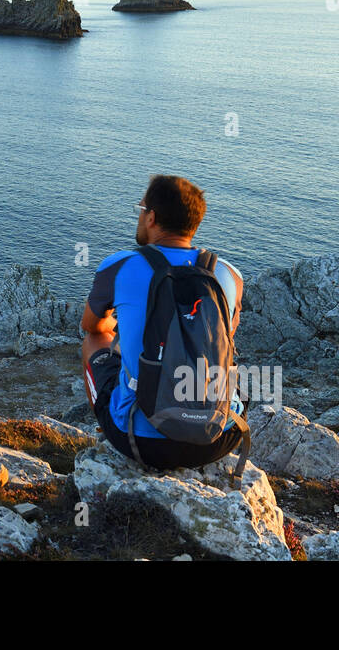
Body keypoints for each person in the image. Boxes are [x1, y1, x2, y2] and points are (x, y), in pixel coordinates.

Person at [80, 174, 246, 469]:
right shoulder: (229, 274)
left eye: (140, 209)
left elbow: (91, 325)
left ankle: (117, 421)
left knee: (94, 342)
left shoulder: (119, 266)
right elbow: (224, 335)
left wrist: (128, 335)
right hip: (218, 440)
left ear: (151, 218)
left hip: (143, 444)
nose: (140, 216)